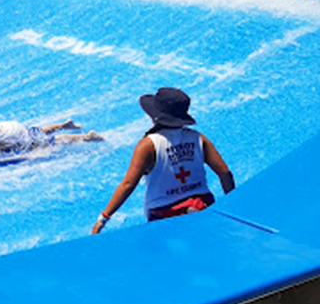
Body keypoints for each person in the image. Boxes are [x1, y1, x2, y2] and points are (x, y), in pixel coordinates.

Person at [91, 87, 234, 233]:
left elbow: (128, 184)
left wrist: (103, 218)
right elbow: (225, 173)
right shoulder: (198, 138)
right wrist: (232, 206)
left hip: (166, 215)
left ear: (154, 116)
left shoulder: (148, 145)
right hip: (203, 205)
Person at [0, 98, 103, 159]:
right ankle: (64, 125)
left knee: (49, 142)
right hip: (12, 127)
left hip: (15, 137)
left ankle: (86, 137)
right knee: (38, 132)